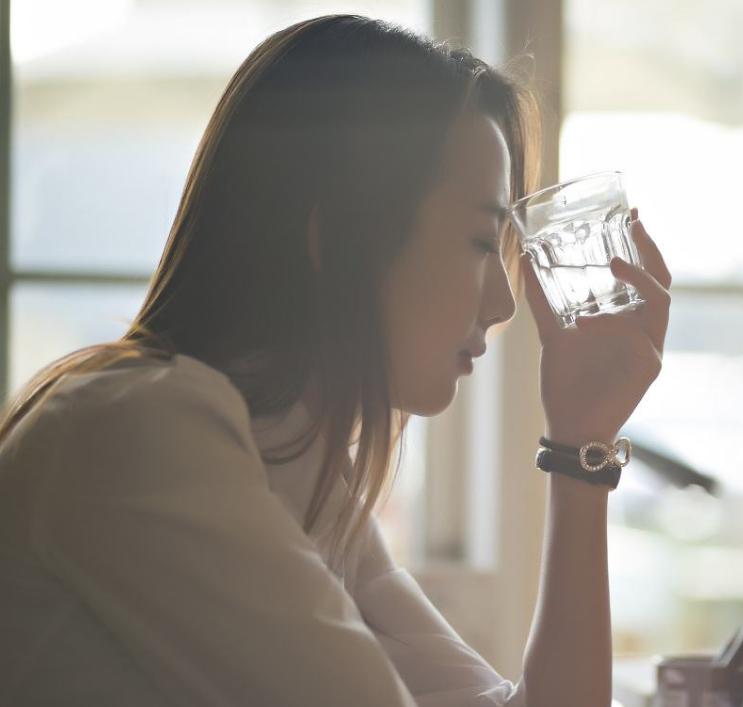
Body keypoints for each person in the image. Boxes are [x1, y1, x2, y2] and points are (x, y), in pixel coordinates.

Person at [0, 14, 671, 707]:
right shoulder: (137, 431)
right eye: (480, 242)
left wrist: (580, 446)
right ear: (338, 236)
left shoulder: (302, 471)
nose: (504, 304)